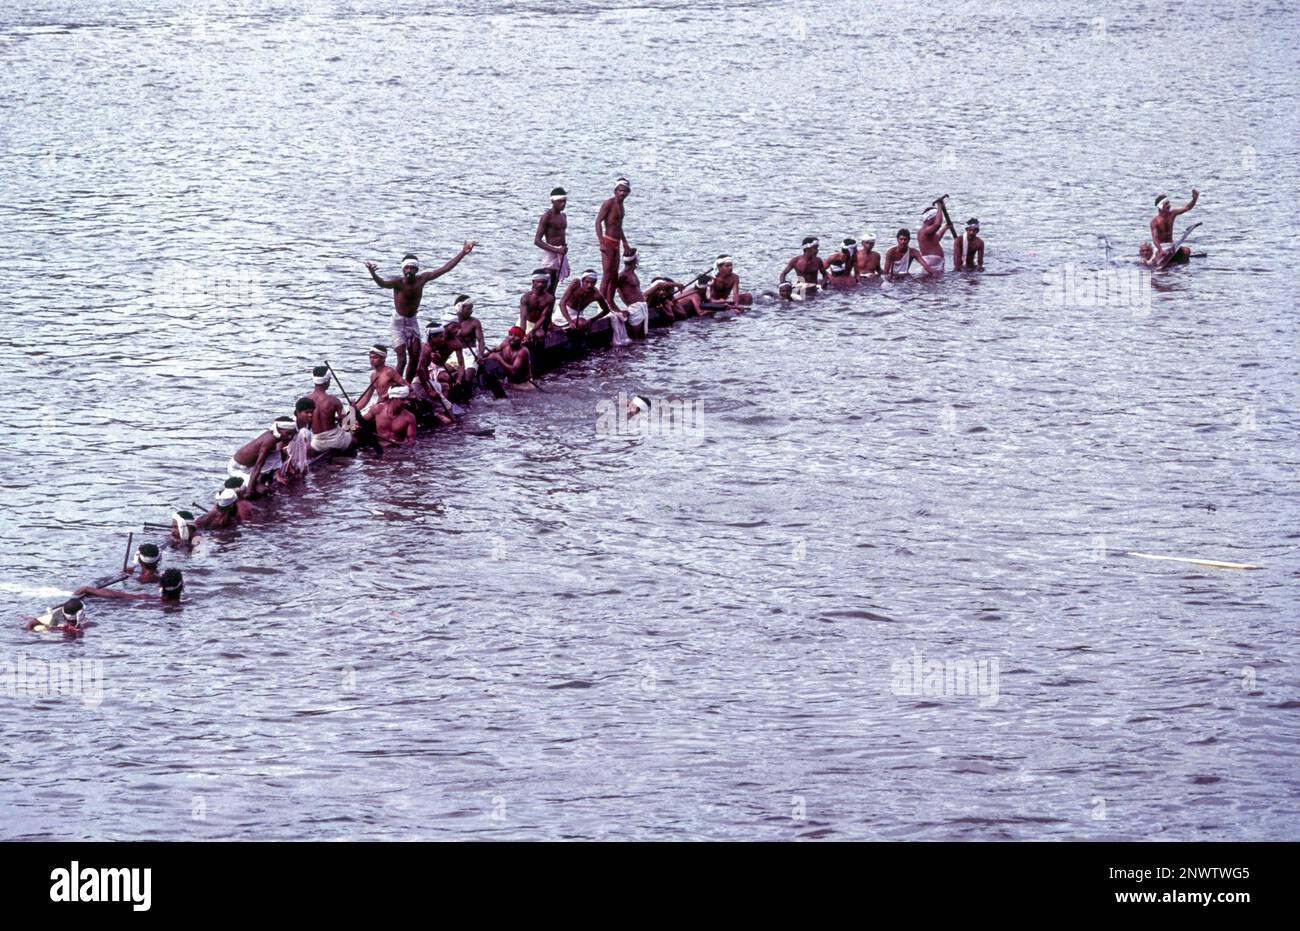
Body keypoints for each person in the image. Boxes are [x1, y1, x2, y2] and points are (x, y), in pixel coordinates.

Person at [364, 242, 478, 381]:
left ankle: (409, 384)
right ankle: (395, 386)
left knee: (415, 356)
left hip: (412, 321)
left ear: (416, 269)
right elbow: (382, 283)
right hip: (398, 322)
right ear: (403, 269)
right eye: (407, 268)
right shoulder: (398, 283)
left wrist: (463, 252)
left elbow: (445, 269)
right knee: (402, 358)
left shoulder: (422, 279)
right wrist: (373, 273)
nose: (409, 270)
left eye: (412, 268)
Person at [228, 416, 296, 494]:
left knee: (282, 454)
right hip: (237, 469)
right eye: (288, 433)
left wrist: (277, 475)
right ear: (279, 430)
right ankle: (248, 484)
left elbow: (277, 455)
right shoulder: (269, 440)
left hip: (250, 466)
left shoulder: (275, 437)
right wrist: (249, 491)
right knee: (263, 490)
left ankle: (266, 479)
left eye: (291, 433)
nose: (290, 437)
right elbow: (258, 466)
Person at [596, 177, 632, 310]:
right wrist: (601, 243)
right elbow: (598, 222)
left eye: (625, 191)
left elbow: (618, 226)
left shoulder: (621, 206)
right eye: (620, 190)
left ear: (628, 192)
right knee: (606, 274)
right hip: (608, 241)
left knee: (615, 275)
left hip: (617, 243)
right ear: (615, 191)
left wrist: (625, 243)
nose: (622, 193)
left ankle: (610, 301)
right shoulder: (608, 203)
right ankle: (601, 304)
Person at [307, 366, 355, 456]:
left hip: (318, 444)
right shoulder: (334, 401)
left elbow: (305, 425)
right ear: (327, 381)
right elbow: (348, 425)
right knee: (353, 439)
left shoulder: (306, 400)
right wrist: (353, 410)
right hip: (337, 442)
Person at [76, 569, 184, 604]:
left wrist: (88, 589)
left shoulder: (150, 599)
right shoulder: (189, 603)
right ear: (182, 586)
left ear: (161, 586)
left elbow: (115, 595)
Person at [535, 187, 570, 294]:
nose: (563, 204)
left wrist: (563, 249)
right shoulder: (547, 216)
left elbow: (562, 235)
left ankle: (550, 309)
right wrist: (556, 250)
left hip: (561, 253)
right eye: (559, 201)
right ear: (552, 201)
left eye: (564, 201)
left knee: (554, 286)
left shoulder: (563, 216)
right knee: (547, 285)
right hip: (551, 253)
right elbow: (537, 240)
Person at [1150, 190, 1199, 265]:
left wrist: (1194, 199)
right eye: (1166, 204)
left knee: (1187, 251)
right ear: (1160, 206)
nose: (1169, 205)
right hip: (1160, 247)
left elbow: (1187, 207)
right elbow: (1155, 238)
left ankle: (1179, 268)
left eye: (1169, 203)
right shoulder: (1155, 221)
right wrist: (1160, 250)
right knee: (1158, 262)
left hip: (1171, 245)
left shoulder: (1173, 213)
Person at [355, 344, 407, 414]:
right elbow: (366, 397)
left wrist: (388, 394)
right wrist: (353, 410)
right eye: (370, 357)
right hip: (381, 405)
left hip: (391, 406)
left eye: (375, 358)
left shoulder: (389, 371)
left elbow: (407, 387)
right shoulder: (373, 375)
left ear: (383, 358)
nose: (372, 360)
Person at [615, 249, 650, 338]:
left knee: (643, 337)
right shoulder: (623, 275)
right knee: (636, 339)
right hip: (634, 308)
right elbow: (615, 290)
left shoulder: (633, 274)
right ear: (635, 260)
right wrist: (621, 308)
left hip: (642, 306)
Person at [519, 269, 557, 341]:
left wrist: (532, 331)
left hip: (537, 325)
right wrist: (523, 334)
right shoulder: (526, 297)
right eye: (538, 282)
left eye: (543, 282)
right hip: (525, 323)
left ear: (546, 283)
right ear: (533, 282)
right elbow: (523, 317)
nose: (540, 284)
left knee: (540, 335)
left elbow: (543, 317)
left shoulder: (550, 299)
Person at [916, 207, 946, 274]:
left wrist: (945, 228)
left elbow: (936, 240)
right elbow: (937, 224)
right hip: (932, 261)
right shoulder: (926, 230)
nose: (937, 219)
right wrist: (940, 207)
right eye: (936, 217)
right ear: (931, 218)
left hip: (933, 261)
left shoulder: (926, 231)